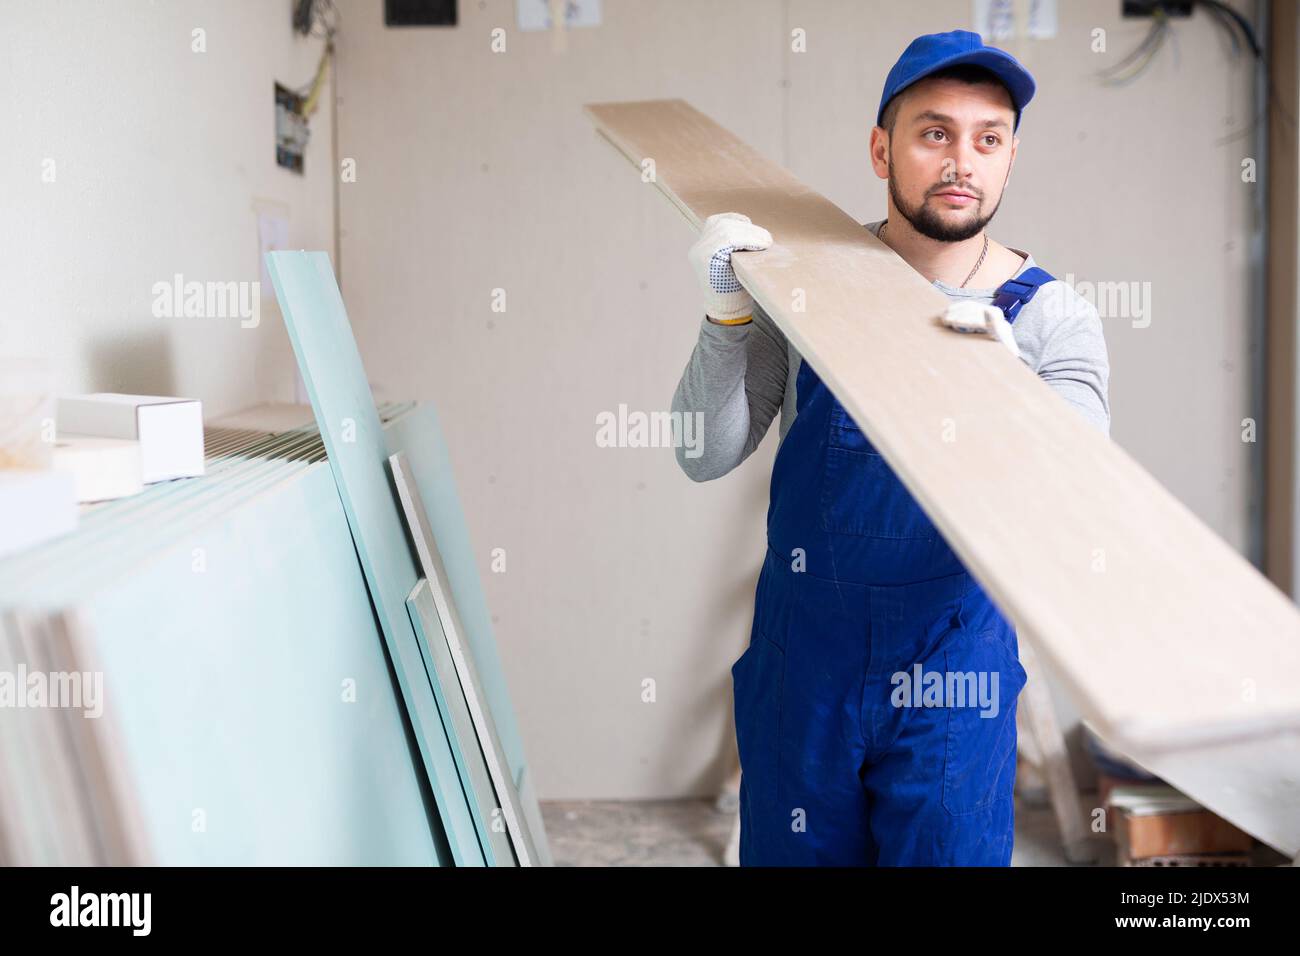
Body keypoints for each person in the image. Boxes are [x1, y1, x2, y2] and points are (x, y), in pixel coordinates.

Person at [671, 29, 1110, 866]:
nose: (962, 161)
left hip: (955, 673)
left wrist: (1007, 392)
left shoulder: (1054, 318)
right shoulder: (807, 283)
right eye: (934, 133)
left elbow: (1081, 503)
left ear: (1011, 158)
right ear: (882, 149)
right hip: (805, 664)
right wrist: (726, 315)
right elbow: (702, 452)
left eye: (989, 139)